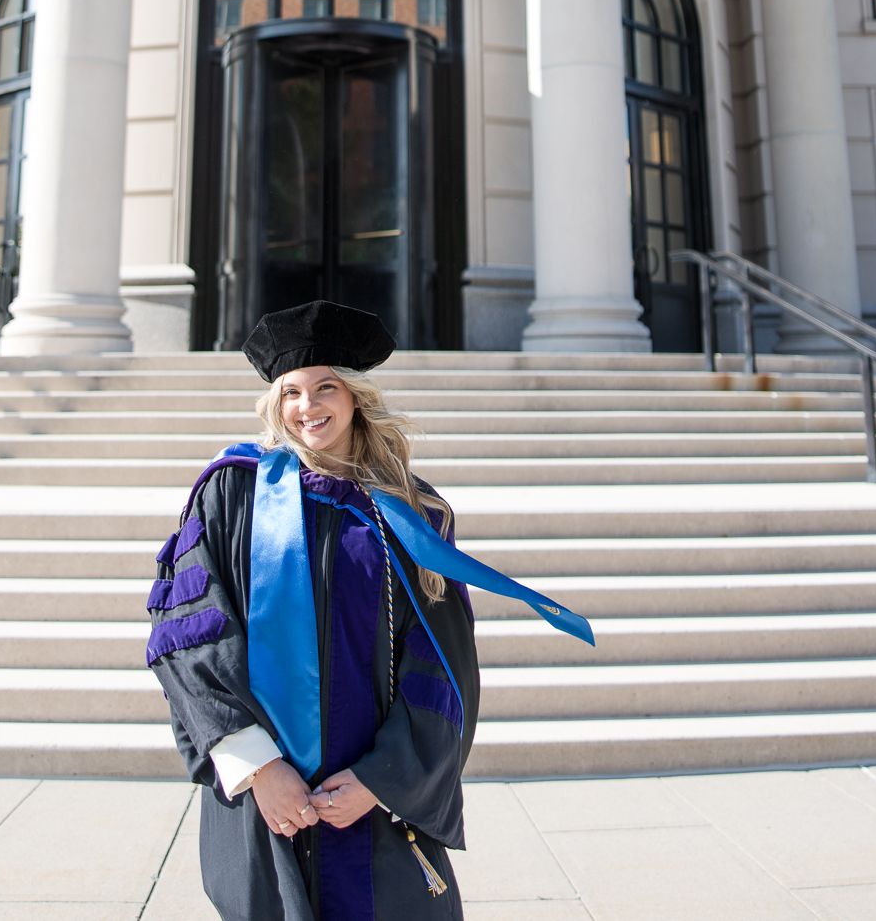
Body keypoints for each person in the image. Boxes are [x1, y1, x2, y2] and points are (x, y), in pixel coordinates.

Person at [146, 300, 594, 921]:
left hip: (371, 805)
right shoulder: (230, 495)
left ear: (356, 396)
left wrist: (383, 777)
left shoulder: (412, 515)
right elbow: (189, 633)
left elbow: (442, 663)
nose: (308, 407)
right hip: (265, 795)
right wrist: (256, 765)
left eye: (326, 387)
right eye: (293, 392)